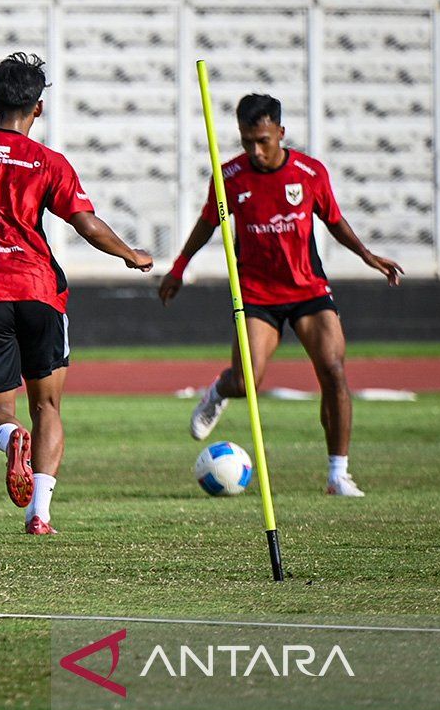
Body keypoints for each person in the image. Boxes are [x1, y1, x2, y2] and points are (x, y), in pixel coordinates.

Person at [0, 53, 153, 535]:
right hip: (40, 292)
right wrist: (128, 254)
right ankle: (40, 514)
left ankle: (11, 439)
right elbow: (85, 223)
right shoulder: (48, 162)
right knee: (47, 406)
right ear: (38, 109)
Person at [160, 93, 403, 497]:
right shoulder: (229, 177)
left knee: (334, 371)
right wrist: (180, 268)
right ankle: (220, 390)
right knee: (247, 382)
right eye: (247, 141)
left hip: (308, 289)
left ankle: (337, 474)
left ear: (281, 133)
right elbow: (207, 224)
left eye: (263, 140)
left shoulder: (309, 173)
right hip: (256, 294)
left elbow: (335, 220)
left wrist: (367, 255)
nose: (255, 150)